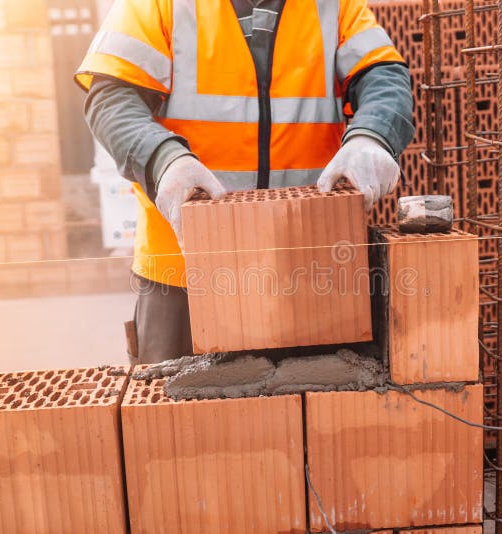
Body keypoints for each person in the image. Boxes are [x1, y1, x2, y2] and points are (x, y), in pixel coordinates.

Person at [77, 0, 414, 364]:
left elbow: (383, 75)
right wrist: (164, 159)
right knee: (177, 418)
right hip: (183, 275)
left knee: (321, 416)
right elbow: (111, 97)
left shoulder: (333, 4)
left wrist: (373, 135)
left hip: (311, 264)